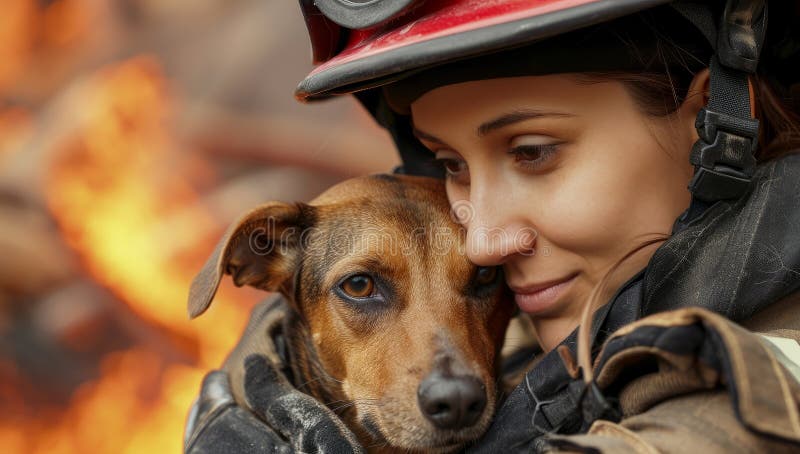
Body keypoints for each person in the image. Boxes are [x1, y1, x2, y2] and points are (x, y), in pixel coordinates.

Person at [184, 1, 800, 452]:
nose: (482, 240)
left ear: (711, 125)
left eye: (532, 151)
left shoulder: (752, 391)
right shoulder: (565, 328)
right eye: (451, 164)